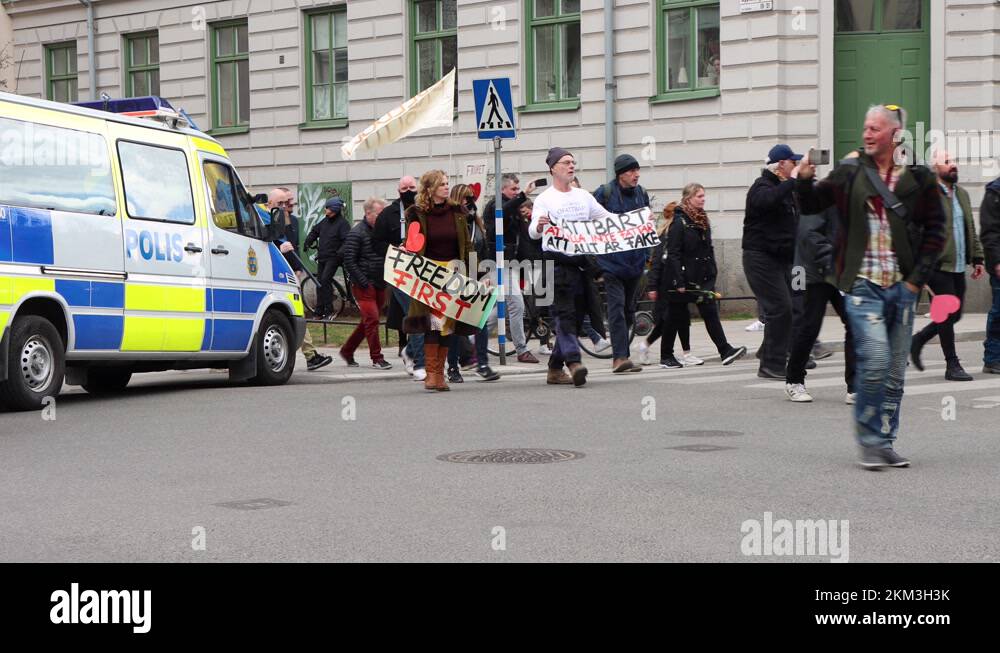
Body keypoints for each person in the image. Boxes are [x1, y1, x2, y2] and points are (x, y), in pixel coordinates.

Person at [794, 104, 946, 469]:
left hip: (902, 287)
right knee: (875, 360)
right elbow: (813, 204)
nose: (867, 134)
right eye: (865, 127)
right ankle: (869, 439)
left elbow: (936, 233)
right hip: (862, 286)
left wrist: (914, 282)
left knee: (894, 373)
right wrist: (803, 178)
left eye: (875, 128)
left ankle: (886, 442)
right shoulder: (849, 171)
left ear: (895, 134)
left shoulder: (919, 179)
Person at [529, 148, 616, 387]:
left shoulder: (583, 196)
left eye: (573, 162)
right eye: (566, 162)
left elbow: (607, 219)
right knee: (564, 315)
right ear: (553, 168)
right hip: (557, 266)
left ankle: (555, 369)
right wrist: (539, 225)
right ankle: (574, 362)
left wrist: (639, 221)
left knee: (577, 319)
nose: (571, 166)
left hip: (581, 265)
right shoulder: (545, 199)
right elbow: (533, 232)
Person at [403, 170, 486, 391]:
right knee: (433, 323)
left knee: (448, 324)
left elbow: (467, 246)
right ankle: (432, 374)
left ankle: (440, 374)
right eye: (442, 184)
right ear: (429, 188)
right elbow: (411, 243)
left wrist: (475, 275)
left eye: (448, 183)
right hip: (429, 274)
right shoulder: (416, 213)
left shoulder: (458, 211)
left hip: (454, 274)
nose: (447, 187)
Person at [649, 184, 747, 369]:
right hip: (682, 279)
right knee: (673, 316)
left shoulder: (702, 220)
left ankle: (725, 350)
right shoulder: (679, 222)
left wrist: (712, 272)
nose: (703, 199)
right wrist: (678, 280)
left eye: (703, 196)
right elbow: (673, 254)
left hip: (700, 278)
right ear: (688, 199)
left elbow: (707, 249)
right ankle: (666, 356)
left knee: (709, 311)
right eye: (699, 196)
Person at [909, 151, 986, 381]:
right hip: (936, 265)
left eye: (955, 161)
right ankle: (952, 365)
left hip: (958, 263)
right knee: (946, 314)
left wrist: (978, 258)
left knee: (956, 314)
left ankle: (919, 339)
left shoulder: (961, 194)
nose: (953, 165)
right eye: (947, 162)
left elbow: (970, 227)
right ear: (935, 168)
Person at [784, 175, 857, 403]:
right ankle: (794, 380)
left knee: (855, 324)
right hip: (813, 272)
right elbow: (809, 235)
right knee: (809, 326)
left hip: (840, 272)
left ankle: (855, 387)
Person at [744, 144, 803, 379]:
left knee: (794, 307)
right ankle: (772, 363)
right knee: (781, 309)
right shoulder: (762, 187)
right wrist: (793, 182)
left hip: (782, 258)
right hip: (760, 258)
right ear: (781, 165)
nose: (796, 166)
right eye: (793, 163)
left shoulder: (785, 189)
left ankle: (769, 352)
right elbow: (767, 201)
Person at [592, 153, 650, 373]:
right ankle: (620, 357)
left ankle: (622, 353)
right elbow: (588, 225)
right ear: (620, 174)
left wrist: (646, 256)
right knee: (616, 309)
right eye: (630, 171)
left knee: (627, 310)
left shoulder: (641, 194)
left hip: (634, 263)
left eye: (637, 170)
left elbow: (645, 226)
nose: (636, 175)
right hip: (611, 264)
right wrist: (596, 264)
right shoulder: (604, 194)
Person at [268, 189, 332, 371]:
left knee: (297, 313)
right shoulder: (266, 219)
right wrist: (280, 250)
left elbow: (293, 249)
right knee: (293, 314)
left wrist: (297, 270)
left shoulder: (293, 222)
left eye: (288, 203)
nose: (287, 206)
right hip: (272, 274)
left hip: (289, 274)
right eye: (282, 203)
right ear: (271, 204)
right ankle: (309, 355)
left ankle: (311, 356)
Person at [479, 177, 538, 364]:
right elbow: (501, 214)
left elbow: (523, 235)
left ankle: (471, 340)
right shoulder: (494, 205)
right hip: (497, 262)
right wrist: (523, 196)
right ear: (503, 189)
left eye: (518, 188)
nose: (516, 191)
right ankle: (522, 349)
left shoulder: (514, 207)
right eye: (513, 188)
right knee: (517, 304)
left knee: (499, 308)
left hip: (511, 262)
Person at [447, 183, 500, 383]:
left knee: (481, 322)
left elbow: (484, 251)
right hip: (455, 277)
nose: (468, 202)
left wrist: (485, 276)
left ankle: (483, 363)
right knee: (454, 323)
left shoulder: (476, 224)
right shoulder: (452, 223)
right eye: (464, 198)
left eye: (471, 198)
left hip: (475, 277)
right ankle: (453, 366)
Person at [373, 176, 425, 381]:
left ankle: (410, 351)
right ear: (398, 191)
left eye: (412, 187)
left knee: (420, 315)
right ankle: (419, 362)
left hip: (422, 271)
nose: (409, 191)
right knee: (415, 313)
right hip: (399, 273)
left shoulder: (422, 211)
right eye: (405, 188)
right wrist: (394, 250)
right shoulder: (387, 215)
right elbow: (376, 242)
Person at [639, 202, 699, 366]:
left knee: (682, 318)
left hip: (676, 281)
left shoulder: (676, 232)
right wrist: (652, 286)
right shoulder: (664, 235)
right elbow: (656, 263)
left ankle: (687, 353)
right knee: (667, 321)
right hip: (665, 284)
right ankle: (646, 345)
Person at [340, 197, 392, 369]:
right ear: (368, 213)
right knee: (372, 318)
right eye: (379, 214)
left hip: (379, 282)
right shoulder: (356, 233)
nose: (382, 218)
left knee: (368, 321)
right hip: (364, 284)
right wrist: (362, 281)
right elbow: (349, 260)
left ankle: (347, 350)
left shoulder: (382, 232)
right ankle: (377, 357)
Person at [303, 197, 351, 319]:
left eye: (327, 207)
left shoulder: (343, 224)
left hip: (334, 258)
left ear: (333, 209)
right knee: (319, 283)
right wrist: (308, 241)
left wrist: (339, 253)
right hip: (323, 257)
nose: (325, 209)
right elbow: (315, 231)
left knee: (325, 280)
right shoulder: (325, 221)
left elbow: (346, 241)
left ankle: (329, 311)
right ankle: (319, 311)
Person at [979, 173, 1000, 374]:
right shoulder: (994, 191)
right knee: (999, 311)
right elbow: (989, 232)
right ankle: (992, 358)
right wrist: (997, 262)